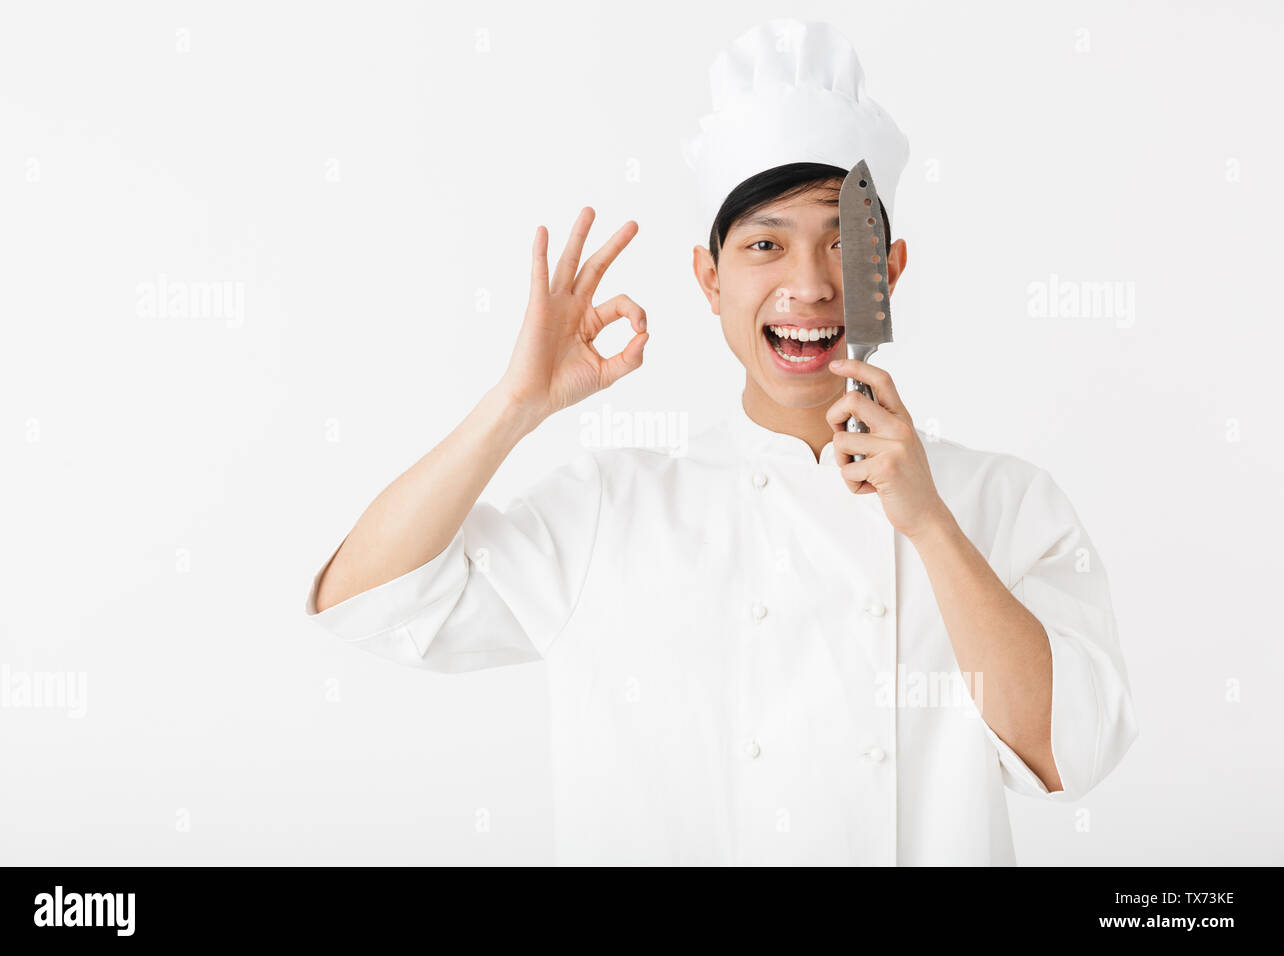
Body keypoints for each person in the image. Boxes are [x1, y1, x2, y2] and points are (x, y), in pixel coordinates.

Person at [304, 18, 1137, 865]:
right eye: (765, 245)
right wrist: (515, 403)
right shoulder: (611, 508)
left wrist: (930, 526)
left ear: (888, 273)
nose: (809, 285)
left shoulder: (1006, 503)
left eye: (844, 244)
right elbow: (363, 599)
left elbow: (1070, 756)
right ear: (709, 279)